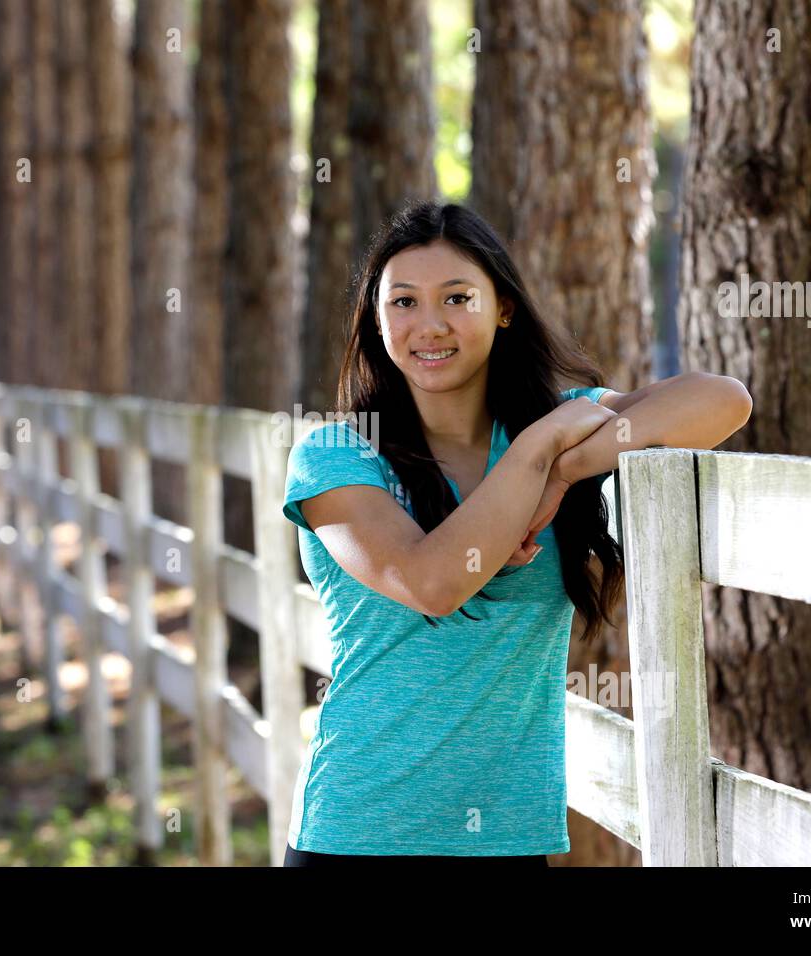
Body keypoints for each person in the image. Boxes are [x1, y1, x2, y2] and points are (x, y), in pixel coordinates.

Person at [280, 201, 753, 866]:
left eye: (457, 297)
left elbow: (724, 401)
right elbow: (432, 582)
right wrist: (543, 450)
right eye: (404, 302)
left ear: (503, 308)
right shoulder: (338, 456)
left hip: (509, 838)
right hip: (357, 833)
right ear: (377, 320)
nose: (430, 324)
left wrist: (566, 464)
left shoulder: (552, 431)